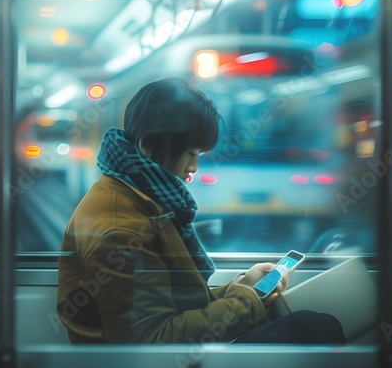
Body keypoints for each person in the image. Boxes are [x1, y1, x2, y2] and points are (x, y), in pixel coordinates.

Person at [56, 78, 344, 344]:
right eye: (191, 154)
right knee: (312, 329)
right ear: (148, 146)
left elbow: (177, 304)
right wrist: (246, 303)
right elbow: (153, 341)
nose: (194, 167)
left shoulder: (139, 196)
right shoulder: (121, 229)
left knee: (311, 325)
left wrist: (241, 287)